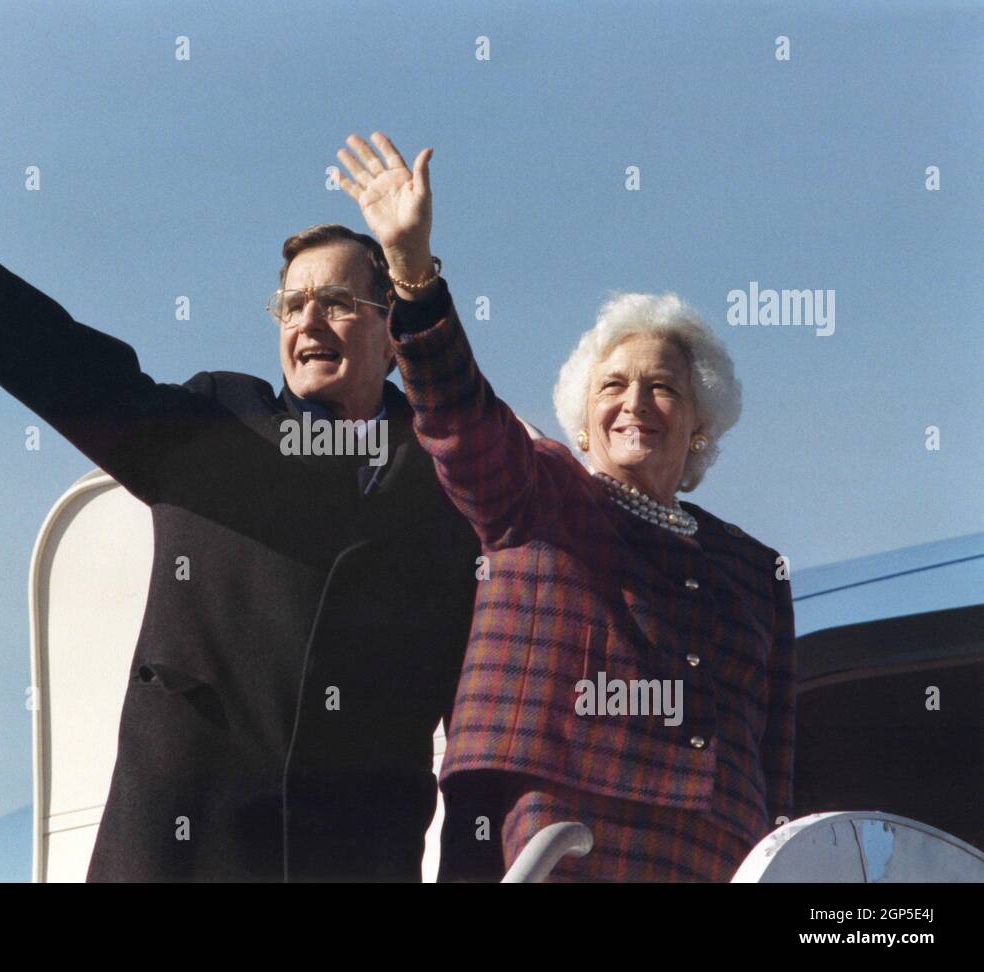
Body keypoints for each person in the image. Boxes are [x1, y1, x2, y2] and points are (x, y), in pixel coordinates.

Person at [0, 100, 480, 881]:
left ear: (393, 334)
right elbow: (75, 372)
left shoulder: (454, 481)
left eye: (339, 302)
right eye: (291, 304)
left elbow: (485, 721)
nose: (307, 319)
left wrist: (418, 275)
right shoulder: (222, 422)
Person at [334, 132, 796, 882]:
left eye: (664, 388)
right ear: (582, 419)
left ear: (699, 423)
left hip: (711, 849)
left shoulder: (756, 567)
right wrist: (413, 275)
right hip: (554, 818)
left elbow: (777, 757)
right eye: (612, 386)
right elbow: (457, 418)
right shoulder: (539, 489)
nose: (636, 403)